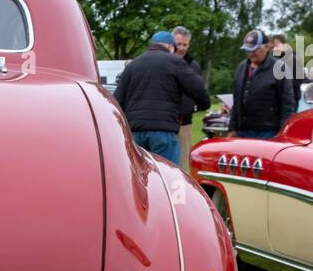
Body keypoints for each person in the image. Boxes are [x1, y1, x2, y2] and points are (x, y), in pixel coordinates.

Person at [114, 30, 210, 165]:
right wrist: (202, 105)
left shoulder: (133, 65)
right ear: (170, 46)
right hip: (163, 130)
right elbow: (198, 88)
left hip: (135, 131)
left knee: (140, 172)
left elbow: (117, 99)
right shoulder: (175, 62)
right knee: (168, 172)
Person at [228, 29, 296, 140]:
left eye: (255, 49)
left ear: (267, 47)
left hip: (268, 132)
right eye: (248, 50)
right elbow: (236, 101)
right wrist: (232, 128)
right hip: (242, 131)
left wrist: (283, 133)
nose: (251, 53)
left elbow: (288, 104)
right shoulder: (241, 68)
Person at [172, 25, 205, 173]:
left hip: (184, 121)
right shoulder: (163, 62)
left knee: (183, 162)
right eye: (179, 44)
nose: (181, 48)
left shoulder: (193, 66)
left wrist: (194, 107)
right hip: (164, 120)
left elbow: (197, 92)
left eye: (185, 45)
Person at [269, 33, 302, 109]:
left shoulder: (293, 59)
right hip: (275, 101)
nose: (275, 48)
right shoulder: (272, 60)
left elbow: (298, 81)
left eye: (277, 45)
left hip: (290, 100)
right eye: (273, 46)